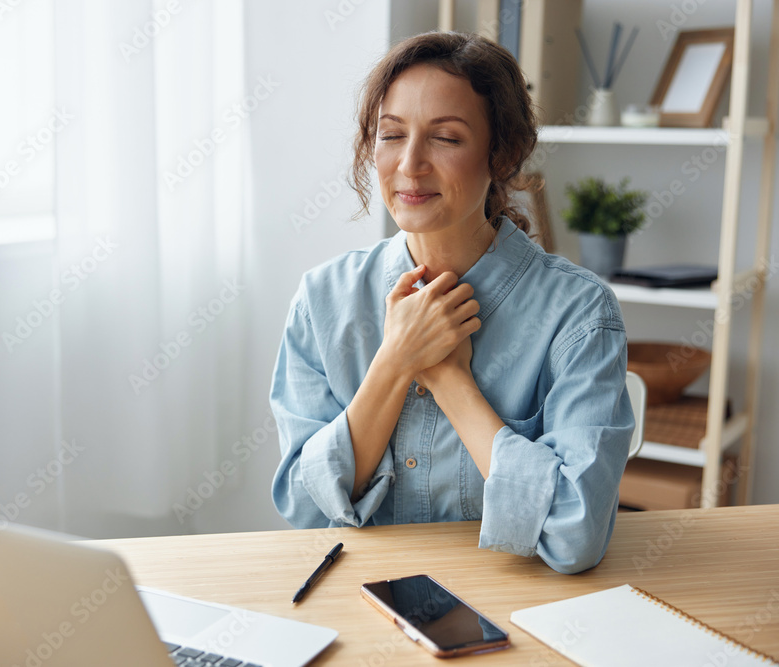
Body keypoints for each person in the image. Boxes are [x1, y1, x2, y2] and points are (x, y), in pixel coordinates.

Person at [269, 31, 634, 575]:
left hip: (512, 604)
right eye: (392, 135)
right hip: (363, 598)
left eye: (445, 138)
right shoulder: (322, 299)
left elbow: (575, 536)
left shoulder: (580, 314)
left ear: (502, 154)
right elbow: (302, 507)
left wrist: (449, 379)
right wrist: (395, 360)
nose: (410, 164)